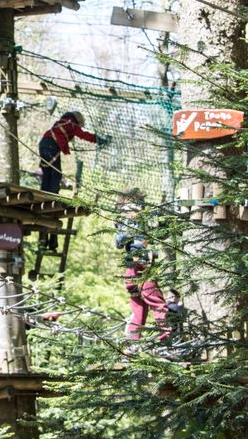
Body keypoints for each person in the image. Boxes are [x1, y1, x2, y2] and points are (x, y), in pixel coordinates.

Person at [115, 206, 169, 342]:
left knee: (139, 304)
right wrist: (128, 230)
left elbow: (161, 234)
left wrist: (163, 222)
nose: (133, 213)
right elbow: (119, 241)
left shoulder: (144, 223)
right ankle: (166, 340)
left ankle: (132, 342)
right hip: (139, 268)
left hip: (134, 270)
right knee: (156, 302)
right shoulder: (125, 225)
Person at [37, 111, 102, 194]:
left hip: (43, 143)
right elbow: (83, 135)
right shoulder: (72, 124)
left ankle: (44, 193)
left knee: (47, 172)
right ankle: (52, 196)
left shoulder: (62, 122)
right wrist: (98, 139)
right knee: (56, 173)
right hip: (51, 145)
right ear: (79, 120)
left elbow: (59, 135)